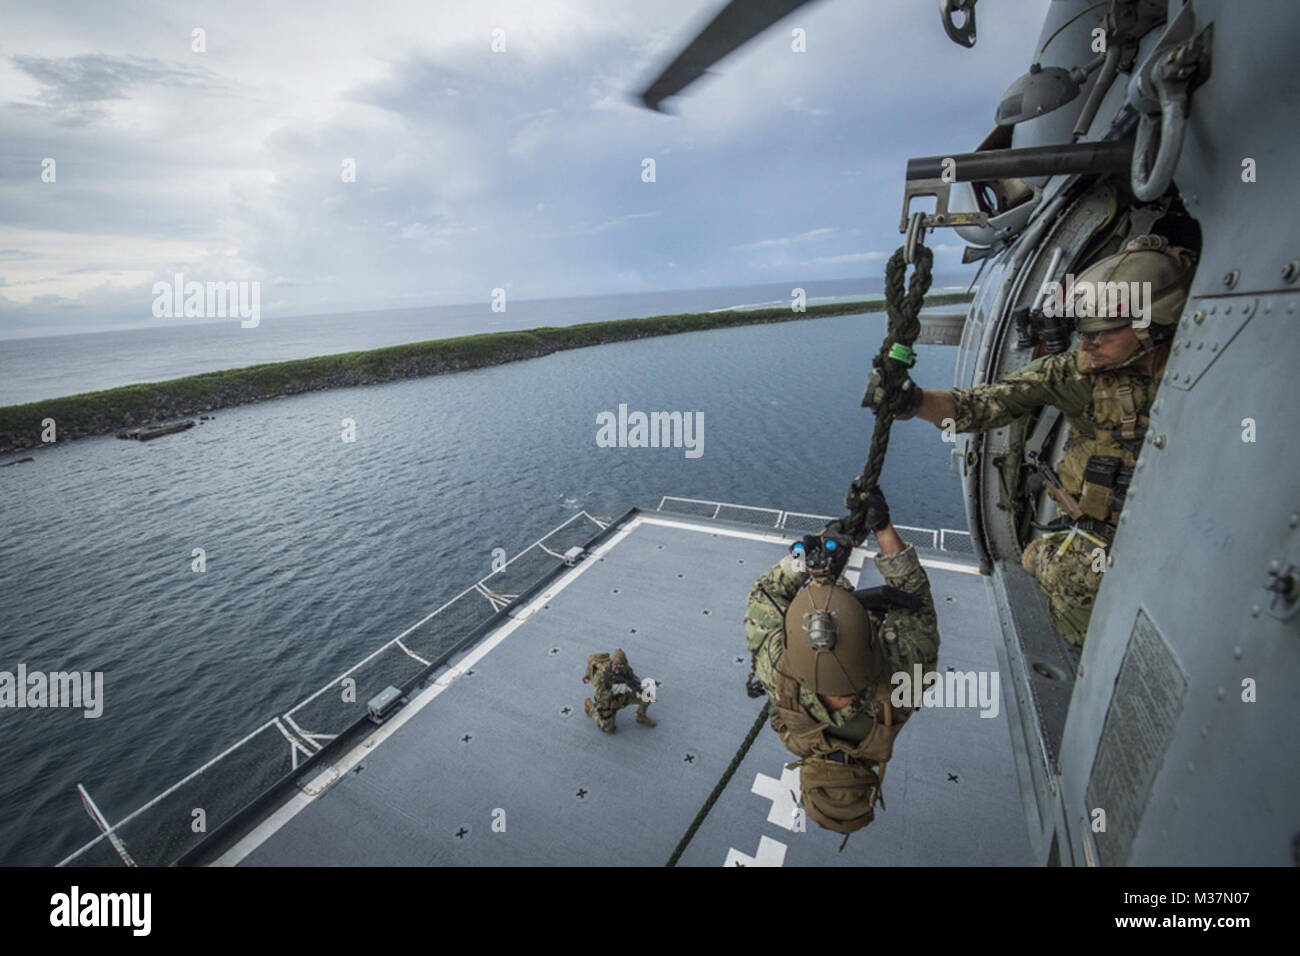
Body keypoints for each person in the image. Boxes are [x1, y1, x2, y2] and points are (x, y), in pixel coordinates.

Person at [866, 234, 1196, 645]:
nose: (1087, 345)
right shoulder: (1076, 375)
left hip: (1183, 534)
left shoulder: (1205, 374)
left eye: (1102, 334)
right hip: (1103, 536)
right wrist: (912, 401)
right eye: (1083, 333)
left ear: (1153, 324)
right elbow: (983, 404)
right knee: (1077, 583)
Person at [743, 488, 939, 833]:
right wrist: (808, 557)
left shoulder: (903, 687)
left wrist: (882, 529)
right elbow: (767, 596)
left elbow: (917, 602)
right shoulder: (778, 677)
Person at [583, 648, 655, 733]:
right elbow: (600, 695)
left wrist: (637, 688)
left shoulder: (625, 668)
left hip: (623, 696)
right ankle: (591, 708)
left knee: (647, 697)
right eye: (615, 666)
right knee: (609, 730)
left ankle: (641, 716)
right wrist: (618, 688)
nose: (617, 669)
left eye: (620, 666)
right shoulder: (602, 675)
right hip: (609, 702)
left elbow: (634, 679)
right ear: (611, 663)